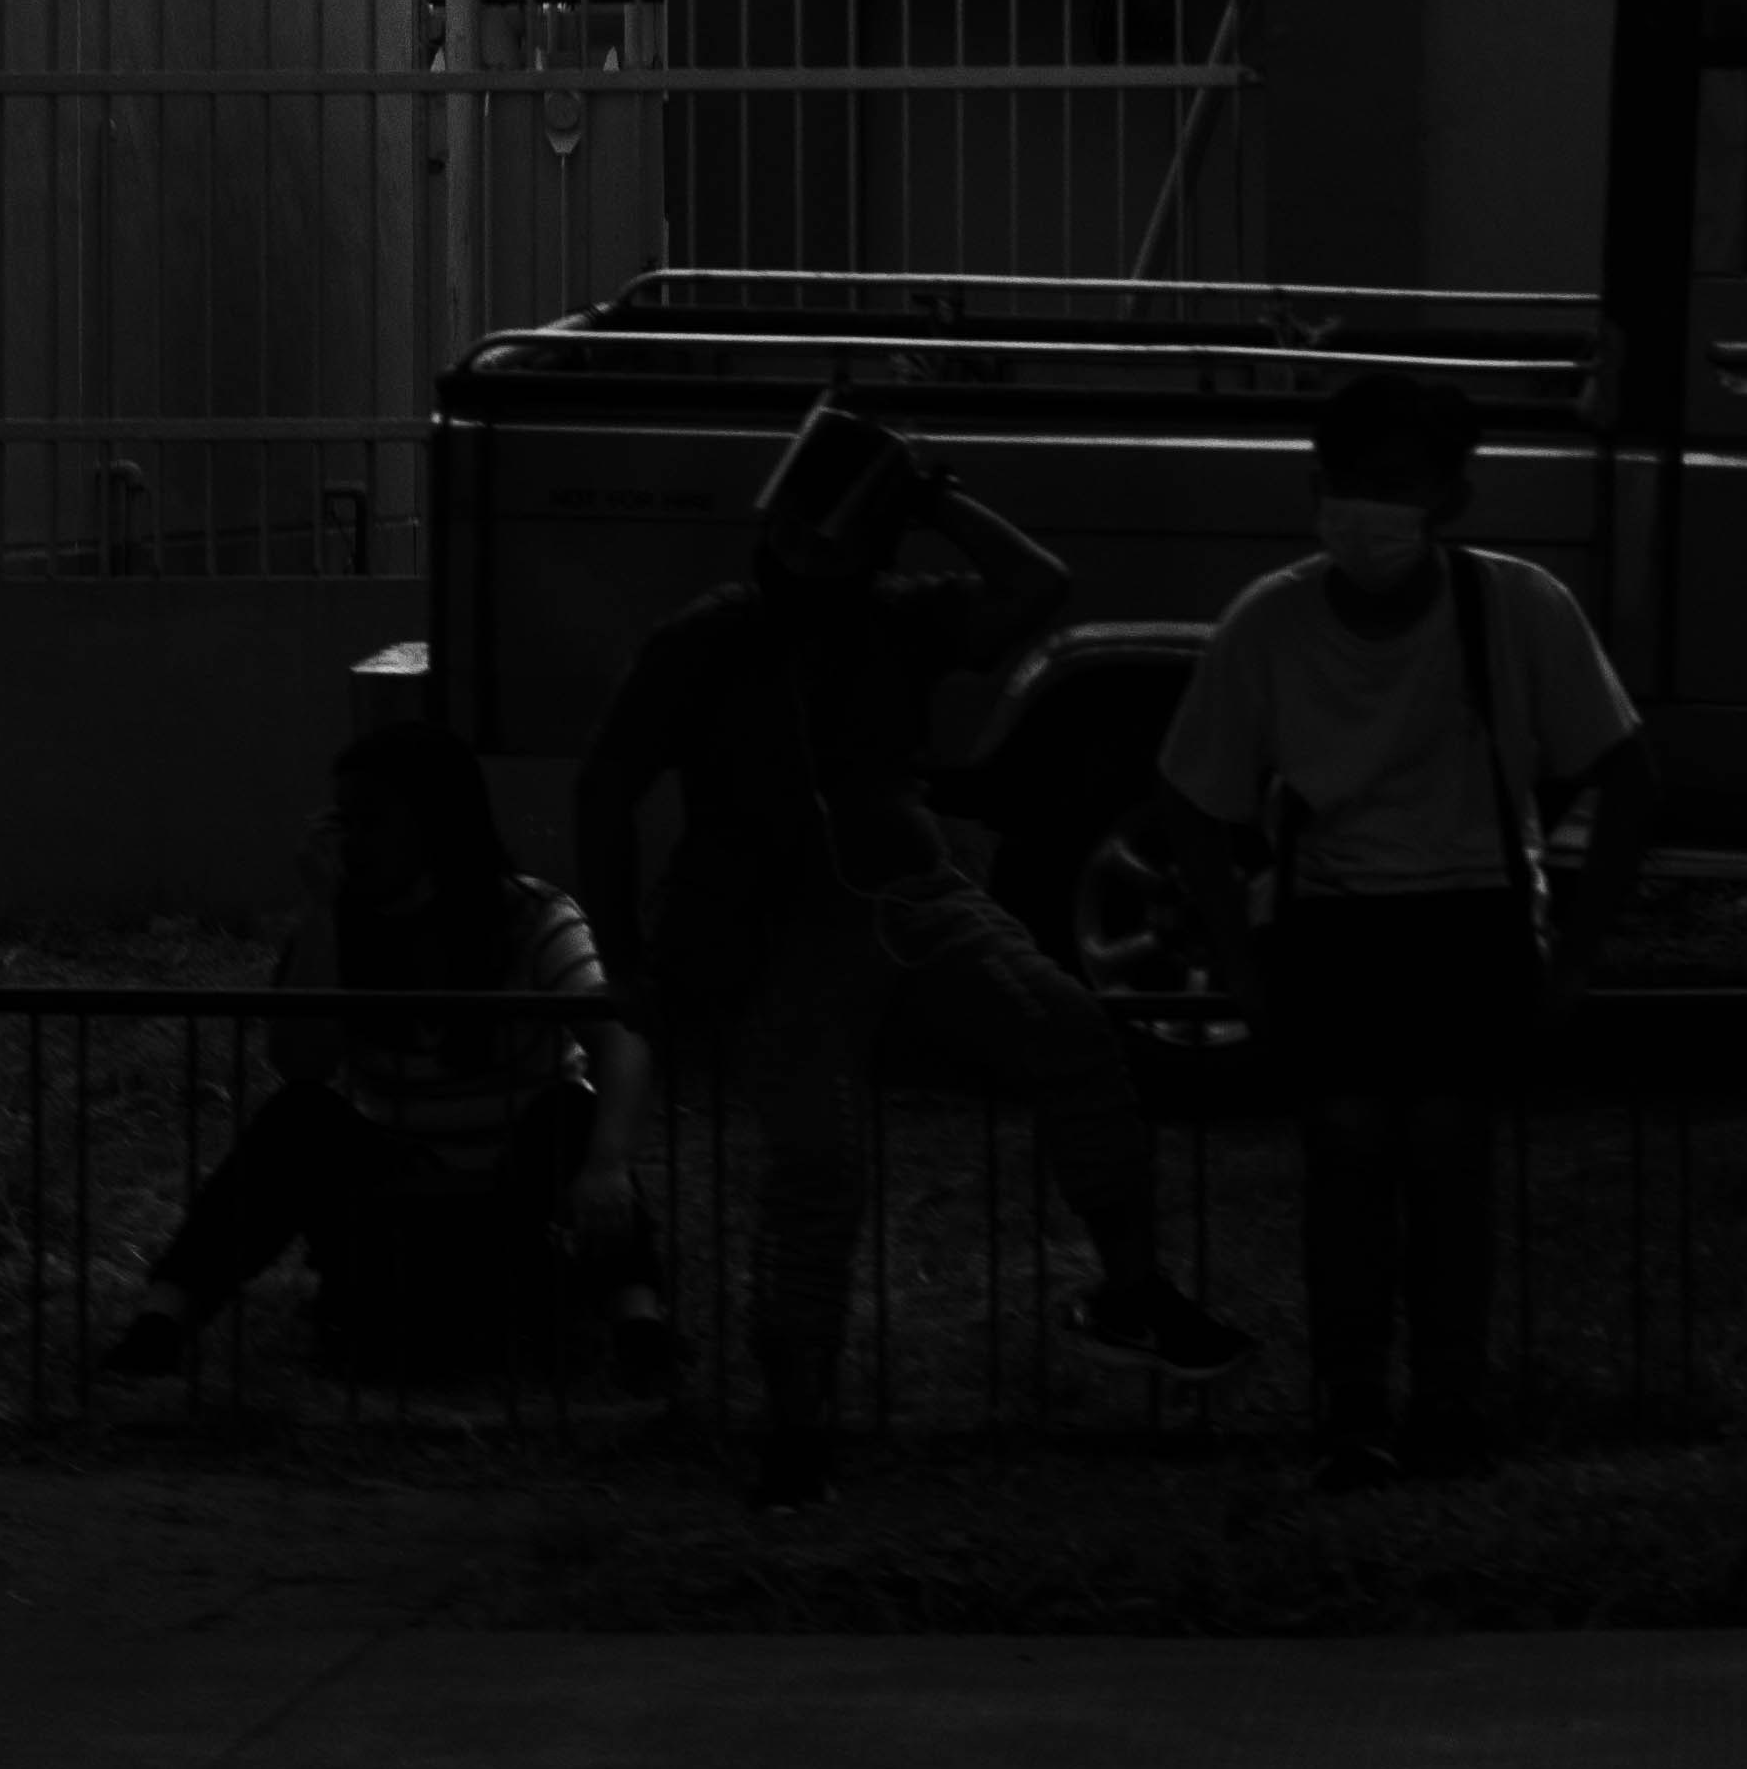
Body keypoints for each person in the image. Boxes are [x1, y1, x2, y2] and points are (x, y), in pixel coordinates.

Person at [575, 401, 1255, 1512]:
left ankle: (1134, 1293)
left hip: (911, 892)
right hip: (777, 927)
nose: (798, 555)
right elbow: (604, 789)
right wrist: (621, 954)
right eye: (789, 532)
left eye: (825, 540)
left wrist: (935, 503)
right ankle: (797, 1425)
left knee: (1075, 1033)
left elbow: (1039, 589)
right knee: (818, 1169)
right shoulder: (708, 638)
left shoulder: (898, 616)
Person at [1158, 370, 1657, 1490]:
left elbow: (1626, 774)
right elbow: (1193, 800)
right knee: (1352, 1159)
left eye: (1395, 485)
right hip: (1338, 923)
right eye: (1349, 483)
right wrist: (1244, 971)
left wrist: (1568, 958)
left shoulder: (1515, 607)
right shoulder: (1272, 622)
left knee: (1438, 1157)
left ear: (1452, 496)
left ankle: (1441, 1398)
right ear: (1316, 488)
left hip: (1466, 917)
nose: (1367, 511)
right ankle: (1358, 1405)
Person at [104, 723, 671, 1391]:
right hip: (401, 1197)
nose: (352, 843)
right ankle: (160, 1324)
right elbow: (301, 1062)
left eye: (371, 821)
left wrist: (607, 1163)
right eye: (342, 822)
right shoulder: (343, 930)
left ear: (432, 825)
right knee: (301, 1116)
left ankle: (643, 1331)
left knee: (571, 1114)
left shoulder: (531, 914)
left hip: (516, 1198)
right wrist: (321, 911)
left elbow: (620, 1033)